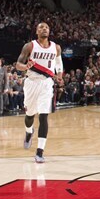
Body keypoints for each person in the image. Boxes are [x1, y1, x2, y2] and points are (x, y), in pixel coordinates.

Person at [15, 22, 63, 164]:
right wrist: (25, 66)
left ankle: (40, 152)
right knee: (29, 115)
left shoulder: (56, 47)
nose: (44, 29)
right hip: (31, 82)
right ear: (37, 31)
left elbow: (59, 65)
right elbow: (18, 64)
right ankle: (29, 132)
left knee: (43, 116)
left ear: (49, 31)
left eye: (47, 27)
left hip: (46, 84)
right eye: (41, 27)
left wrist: (59, 75)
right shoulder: (29, 46)